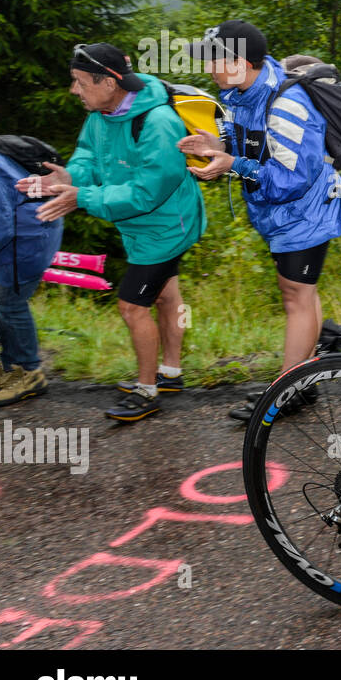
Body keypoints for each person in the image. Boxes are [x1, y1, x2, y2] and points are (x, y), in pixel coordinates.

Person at [178, 21, 341, 422]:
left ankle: (288, 389)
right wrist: (215, 147)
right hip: (282, 214)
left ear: (240, 61)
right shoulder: (239, 93)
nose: (208, 68)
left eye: (213, 59)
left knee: (296, 296)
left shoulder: (288, 103)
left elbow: (293, 178)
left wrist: (231, 166)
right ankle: (303, 381)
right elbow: (251, 145)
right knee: (299, 294)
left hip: (305, 212)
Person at [22, 43, 206, 421]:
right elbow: (89, 155)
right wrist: (68, 178)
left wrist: (82, 196)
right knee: (166, 294)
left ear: (107, 82)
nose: (74, 90)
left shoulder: (157, 123)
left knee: (132, 306)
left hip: (166, 227)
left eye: (79, 82)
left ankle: (146, 390)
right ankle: (169, 372)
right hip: (142, 226)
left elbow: (146, 192)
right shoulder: (101, 113)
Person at [0, 137, 64, 406]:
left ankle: (31, 374)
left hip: (22, 246)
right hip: (32, 236)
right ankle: (11, 370)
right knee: (6, 306)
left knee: (11, 306)